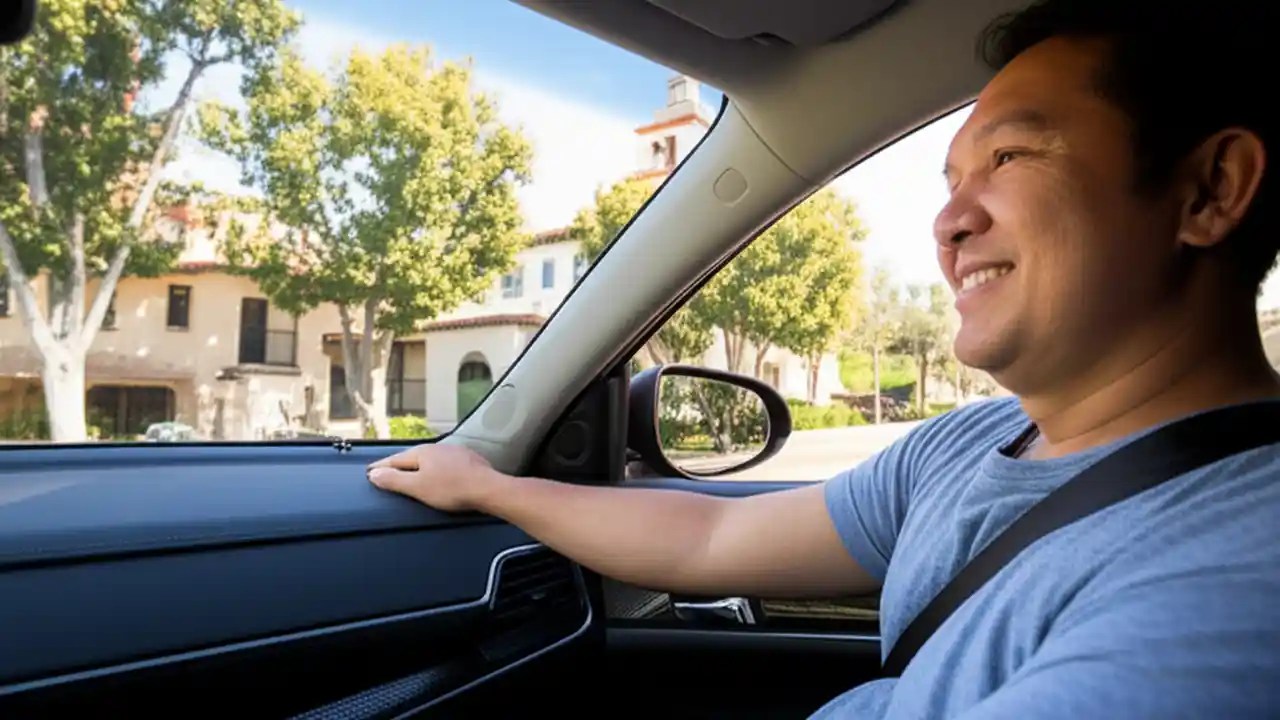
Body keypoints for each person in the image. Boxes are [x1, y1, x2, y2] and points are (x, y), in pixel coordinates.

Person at [368, 0, 1280, 717]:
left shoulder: (1238, 578)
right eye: (954, 179)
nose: (950, 223)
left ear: (1209, 191)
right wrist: (488, 485)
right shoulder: (964, 447)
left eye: (1012, 155)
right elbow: (709, 536)